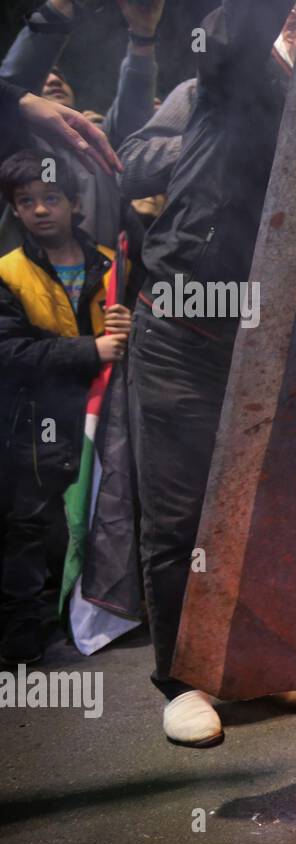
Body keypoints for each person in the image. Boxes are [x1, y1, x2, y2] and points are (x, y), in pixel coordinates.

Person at [128, 0, 296, 748]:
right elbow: (235, 26)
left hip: (273, 336)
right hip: (183, 327)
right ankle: (183, 681)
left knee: (269, 509)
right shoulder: (238, 65)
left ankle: (263, 663)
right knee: (180, 517)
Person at [0, 150, 127, 665]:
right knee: (31, 526)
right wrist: (89, 350)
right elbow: (7, 352)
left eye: (51, 198)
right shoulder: (7, 271)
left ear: (75, 203)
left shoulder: (113, 262)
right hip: (35, 422)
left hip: (105, 417)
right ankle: (24, 634)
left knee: (101, 514)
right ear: (14, 210)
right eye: (25, 201)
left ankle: (97, 614)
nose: (40, 210)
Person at [0, 0, 163, 250]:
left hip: (105, 283)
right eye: (46, 76)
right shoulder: (13, 142)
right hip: (20, 284)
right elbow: (13, 84)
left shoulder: (98, 143)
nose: (54, 80)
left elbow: (133, 121)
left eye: (61, 77)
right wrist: (61, 5)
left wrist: (143, 35)